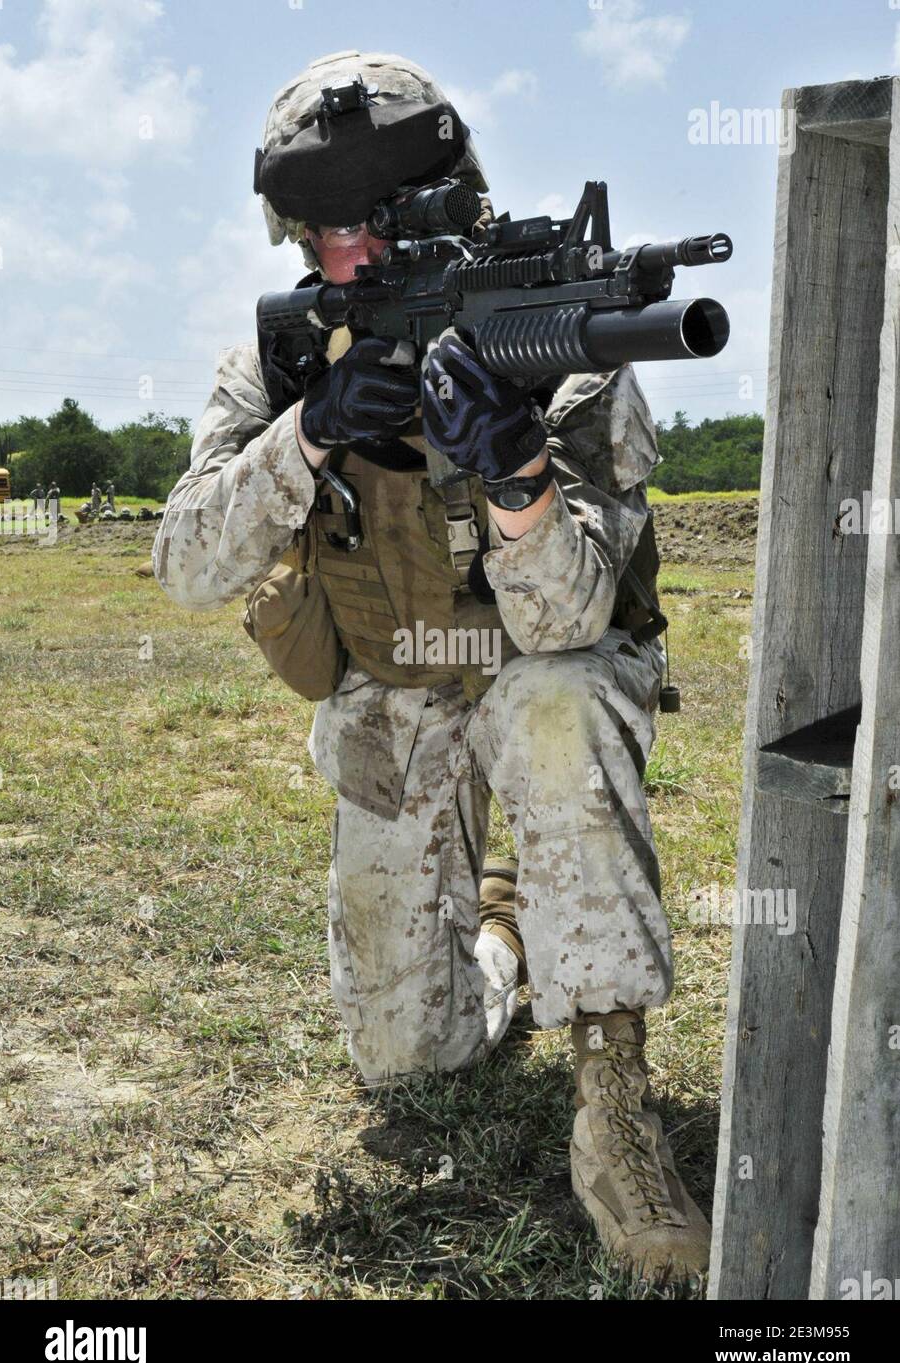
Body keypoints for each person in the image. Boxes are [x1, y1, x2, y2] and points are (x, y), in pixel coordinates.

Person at [152, 51, 708, 1284]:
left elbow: (566, 620)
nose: (328, 256)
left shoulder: (564, 341)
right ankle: (501, 936)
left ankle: (613, 1105)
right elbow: (184, 564)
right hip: (395, 695)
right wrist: (307, 431)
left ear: (433, 208)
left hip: (527, 671)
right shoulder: (286, 356)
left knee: (557, 703)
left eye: (352, 225)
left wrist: (513, 479)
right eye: (310, 229)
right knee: (410, 1059)